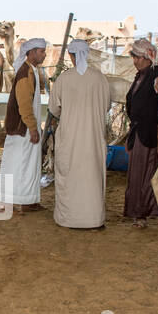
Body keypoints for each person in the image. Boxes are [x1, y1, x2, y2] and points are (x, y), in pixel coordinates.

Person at [48, 39, 111, 229]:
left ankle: (69, 219)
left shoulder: (64, 79)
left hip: (70, 138)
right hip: (93, 139)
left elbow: (54, 108)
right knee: (92, 177)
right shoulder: (100, 78)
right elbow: (106, 106)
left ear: (71, 56)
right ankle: (93, 219)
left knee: (70, 177)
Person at [0, 38, 47, 213]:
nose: (44, 54)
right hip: (22, 128)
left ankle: (27, 200)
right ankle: (12, 201)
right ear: (31, 53)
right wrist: (32, 127)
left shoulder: (31, 71)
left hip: (24, 128)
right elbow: (24, 104)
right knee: (18, 164)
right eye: (41, 51)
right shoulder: (25, 74)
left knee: (25, 164)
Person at [123, 37, 158, 228]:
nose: (135, 60)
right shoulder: (140, 76)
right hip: (138, 131)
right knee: (138, 173)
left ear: (148, 57)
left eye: (137, 57)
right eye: (133, 56)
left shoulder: (157, 75)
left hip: (151, 133)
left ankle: (145, 213)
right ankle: (138, 212)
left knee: (148, 172)